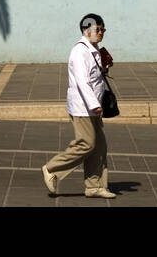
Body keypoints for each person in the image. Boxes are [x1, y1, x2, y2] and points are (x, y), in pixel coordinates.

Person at [40, 14, 115, 199]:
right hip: (83, 107)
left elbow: (93, 78)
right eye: (97, 29)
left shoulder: (93, 49)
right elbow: (82, 82)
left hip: (93, 106)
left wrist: (104, 67)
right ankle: (52, 169)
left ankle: (94, 186)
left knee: (99, 147)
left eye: (102, 29)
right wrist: (94, 105)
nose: (101, 33)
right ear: (86, 30)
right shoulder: (79, 52)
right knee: (86, 144)